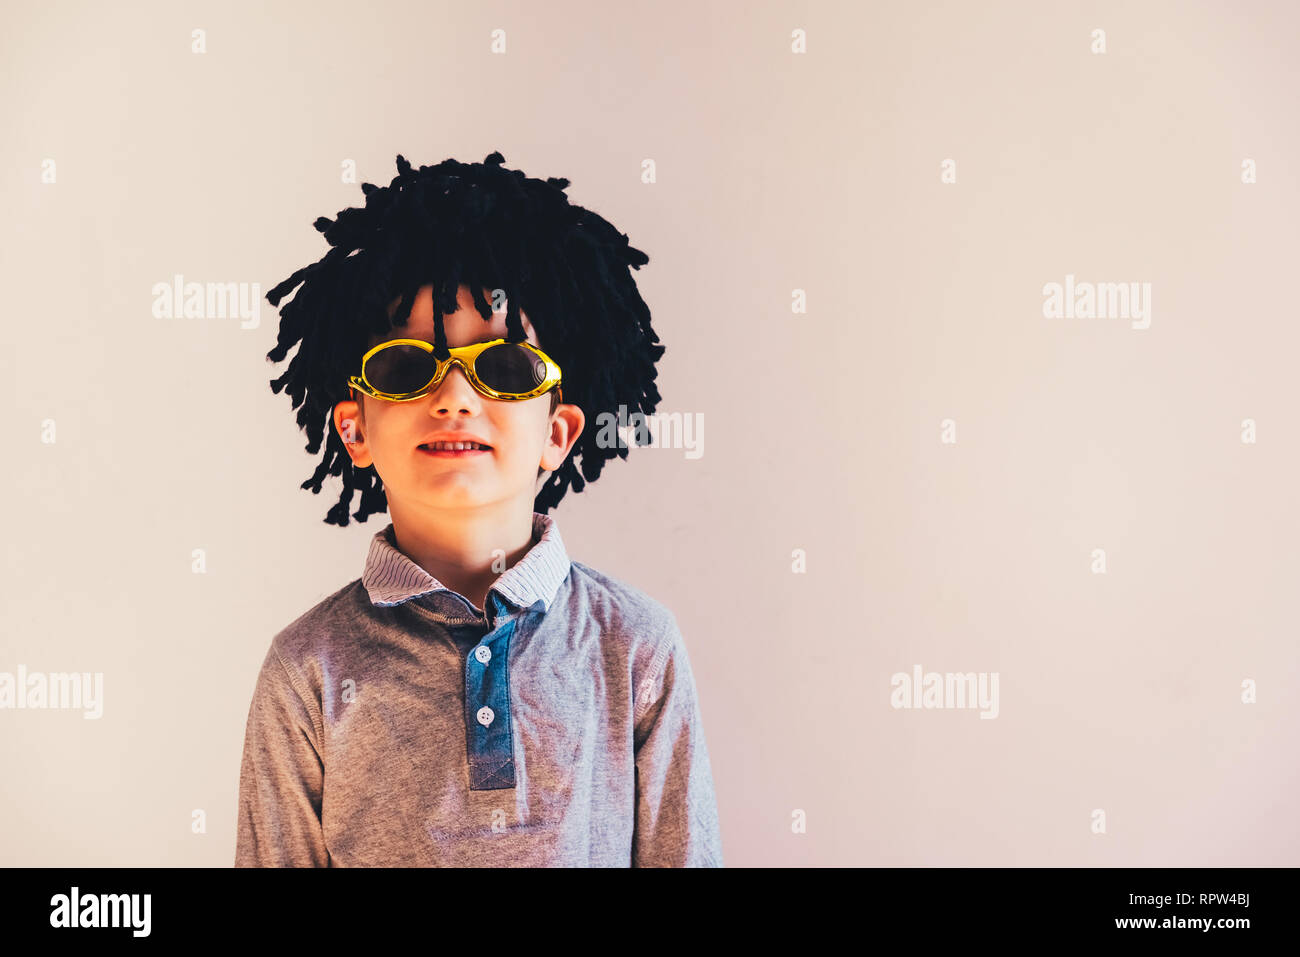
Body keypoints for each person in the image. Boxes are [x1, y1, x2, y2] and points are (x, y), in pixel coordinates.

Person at [234, 151, 722, 866]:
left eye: (501, 367)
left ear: (557, 434)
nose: (455, 395)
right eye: (406, 367)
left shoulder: (636, 648)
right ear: (355, 428)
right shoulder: (306, 669)